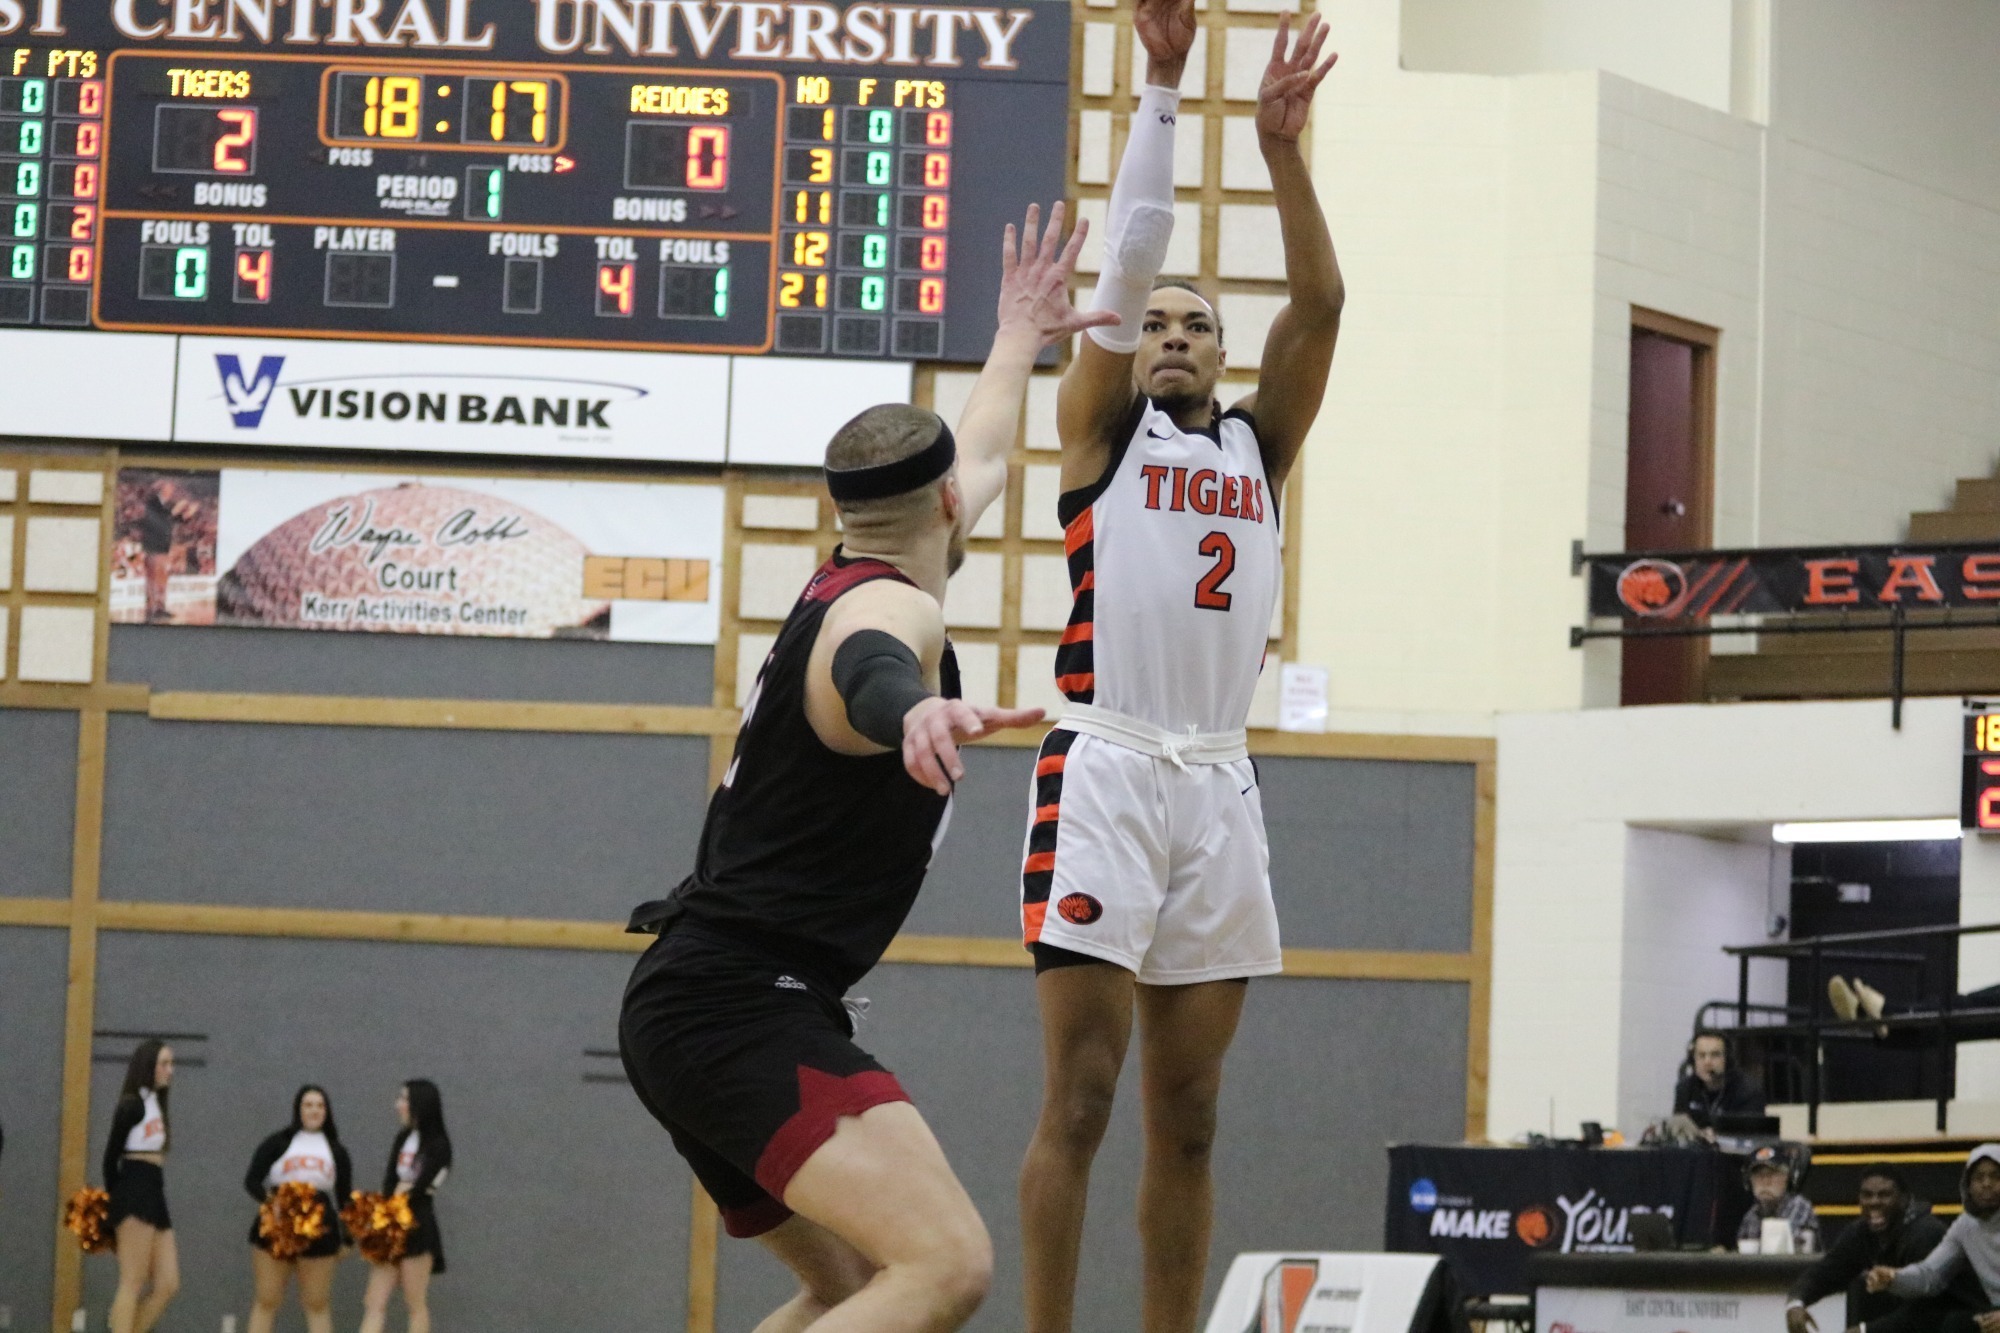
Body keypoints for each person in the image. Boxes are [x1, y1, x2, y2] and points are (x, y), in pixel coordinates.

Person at [618, 205, 1109, 1333]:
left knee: (845, 1289)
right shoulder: (886, 610)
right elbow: (873, 664)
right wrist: (915, 710)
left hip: (697, 1000)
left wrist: (1014, 338)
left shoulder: (868, 557)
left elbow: (978, 447)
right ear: (943, 510)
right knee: (944, 1267)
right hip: (741, 1007)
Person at [1014, 2, 1343, 1329]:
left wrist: (1282, 150)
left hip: (1219, 782)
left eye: (1197, 324)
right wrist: (1163, 87)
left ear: (1222, 351)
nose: (1171, 332)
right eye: (1152, 322)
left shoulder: (1258, 452)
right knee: (1081, 1103)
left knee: (1191, 1121)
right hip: (1105, 762)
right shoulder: (1099, 437)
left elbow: (1319, 303)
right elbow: (1134, 246)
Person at [1787, 1165, 1981, 1333]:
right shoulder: (1861, 1232)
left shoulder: (1925, 1234)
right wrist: (1796, 1303)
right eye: (1867, 1195)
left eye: (1884, 1195)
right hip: (1921, 1317)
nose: (1874, 1202)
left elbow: (1928, 1310)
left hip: (1965, 1318)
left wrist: (1866, 1331)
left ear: (1905, 1200)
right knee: (1863, 1289)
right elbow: (1826, 1271)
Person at [244, 1085, 351, 1333]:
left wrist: (347, 1238)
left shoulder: (337, 1151)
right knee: (267, 1299)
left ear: (327, 1111)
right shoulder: (277, 1142)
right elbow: (251, 1180)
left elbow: (344, 1198)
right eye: (308, 1105)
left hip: (320, 1228)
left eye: (320, 1105)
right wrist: (273, 1202)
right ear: (298, 1109)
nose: (314, 1110)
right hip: (278, 1223)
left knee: (317, 1303)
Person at [1868, 1146, 2000, 1333]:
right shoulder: (1965, 1225)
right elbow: (1930, 1275)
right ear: (1968, 1186)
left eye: (1996, 1176)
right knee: (1955, 1324)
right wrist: (1894, 1278)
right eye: (1979, 1178)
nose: (1987, 1183)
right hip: (1994, 1313)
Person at [360, 1079, 452, 1333]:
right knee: (374, 1301)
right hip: (390, 1225)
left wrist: (404, 1193)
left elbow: (419, 1187)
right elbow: (391, 1184)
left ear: (418, 1105)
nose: (397, 1105)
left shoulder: (438, 1145)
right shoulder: (402, 1138)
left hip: (418, 1226)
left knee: (415, 1303)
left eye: (403, 1099)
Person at [102, 1039, 180, 1333]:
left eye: (171, 1064)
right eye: (164, 1064)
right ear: (147, 1066)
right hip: (133, 1189)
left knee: (168, 1283)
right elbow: (110, 1159)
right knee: (132, 1282)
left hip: (154, 1190)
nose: (170, 1071)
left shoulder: (156, 1104)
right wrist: (114, 1203)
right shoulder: (132, 1105)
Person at [1673, 1030, 1766, 1130]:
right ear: (1693, 1060)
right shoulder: (1685, 1089)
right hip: (1696, 1145)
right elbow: (1679, 1128)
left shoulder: (1748, 1092)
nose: (1707, 1062)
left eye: (1715, 1055)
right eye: (1701, 1055)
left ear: (1728, 1059)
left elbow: (1751, 1135)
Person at [1740, 1144, 1821, 1254]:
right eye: (1758, 1175)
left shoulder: (1800, 1206)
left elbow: (1788, 1254)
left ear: (1787, 1178)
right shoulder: (1751, 1216)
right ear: (1749, 1182)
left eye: (1771, 1174)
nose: (1765, 1182)